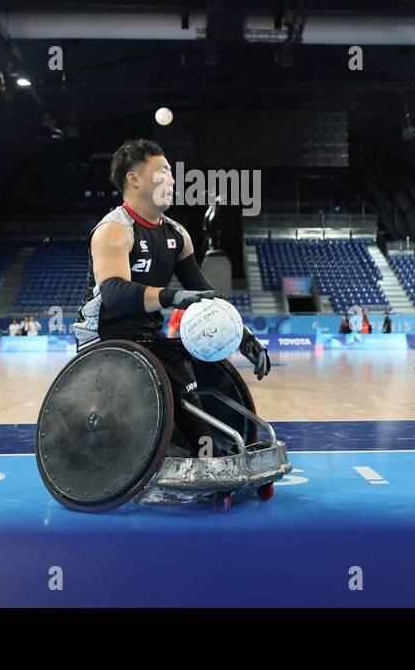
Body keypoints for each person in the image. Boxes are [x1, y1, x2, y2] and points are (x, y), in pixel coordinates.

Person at [74, 139, 269, 456]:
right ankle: (208, 454)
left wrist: (245, 339)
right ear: (134, 178)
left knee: (194, 363)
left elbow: (209, 297)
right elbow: (114, 294)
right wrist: (174, 296)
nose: (173, 179)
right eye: (163, 171)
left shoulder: (177, 234)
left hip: (147, 335)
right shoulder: (114, 229)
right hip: (104, 338)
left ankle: (227, 444)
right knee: (176, 373)